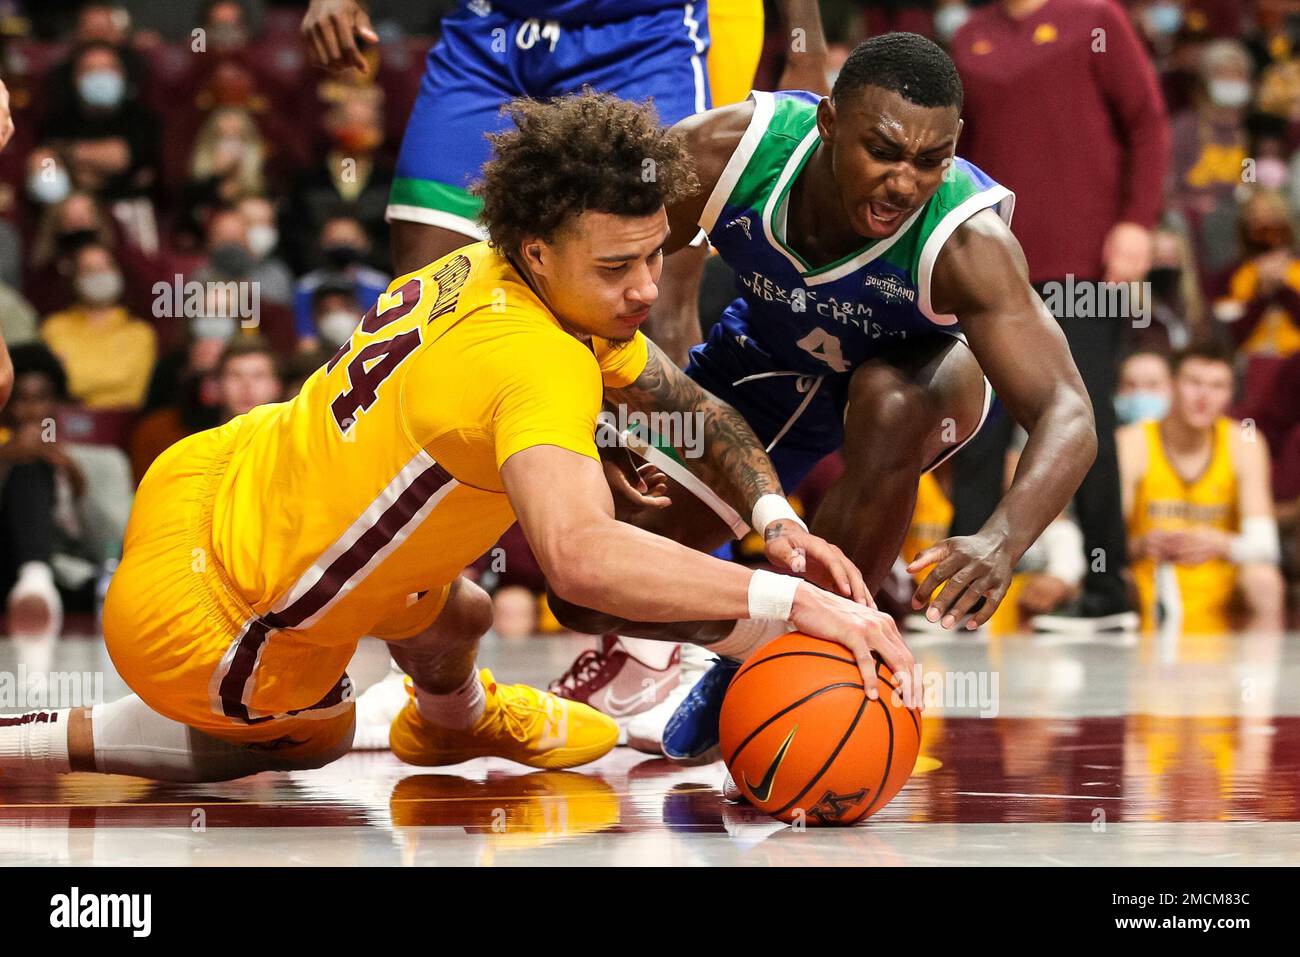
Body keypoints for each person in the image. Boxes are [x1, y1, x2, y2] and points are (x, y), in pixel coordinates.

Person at [0, 93, 906, 784]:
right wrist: (790, 605)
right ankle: (28, 741)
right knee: (307, 739)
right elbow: (582, 563)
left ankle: (453, 717)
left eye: (656, 255)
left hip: (211, 473)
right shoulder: (535, 360)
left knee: (460, 611)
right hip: (213, 625)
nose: (643, 290)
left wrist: (775, 517)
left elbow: (691, 408)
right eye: (617, 266)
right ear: (543, 254)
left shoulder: (483, 263)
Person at [545, 33, 1097, 761]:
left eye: (931, 160)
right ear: (829, 121)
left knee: (889, 404)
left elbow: (1069, 411)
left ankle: (817, 652)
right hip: (766, 358)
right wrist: (603, 408)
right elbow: (588, 275)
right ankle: (761, 640)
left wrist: (1002, 539)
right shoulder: (728, 151)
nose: (906, 182)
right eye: (885, 152)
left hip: (921, 381)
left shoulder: (967, 244)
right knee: (585, 592)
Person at [301, 0, 829, 367]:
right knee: (424, 304)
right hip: (488, 33)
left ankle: (675, 525)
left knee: (650, 305)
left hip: (643, 33)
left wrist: (806, 54)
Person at [949, 0, 1170, 634]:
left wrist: (1137, 222)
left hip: (1084, 268)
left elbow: (1148, 123)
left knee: (1081, 418)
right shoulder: (969, 37)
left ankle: (1110, 588)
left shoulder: (1095, 19)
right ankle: (960, 596)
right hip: (991, 266)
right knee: (977, 427)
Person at [1118, 342, 1285, 633]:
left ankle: (1262, 676)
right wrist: (1141, 545)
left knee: (1264, 580)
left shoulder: (1245, 442)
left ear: (1231, 394)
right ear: (1171, 386)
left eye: (1218, 386)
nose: (1204, 397)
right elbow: (1101, 546)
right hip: (1147, 574)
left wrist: (1221, 544)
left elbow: (1266, 546)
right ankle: (1113, 671)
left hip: (1218, 576)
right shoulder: (1132, 441)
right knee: (1109, 574)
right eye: (1194, 383)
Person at [40, 241, 157, 410]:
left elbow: (134, 394)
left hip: (120, 427)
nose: (98, 275)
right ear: (75, 278)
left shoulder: (140, 333)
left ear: (118, 273)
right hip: (65, 424)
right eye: (89, 270)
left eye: (105, 268)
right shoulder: (53, 328)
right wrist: (113, 381)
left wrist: (76, 382)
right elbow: (51, 387)